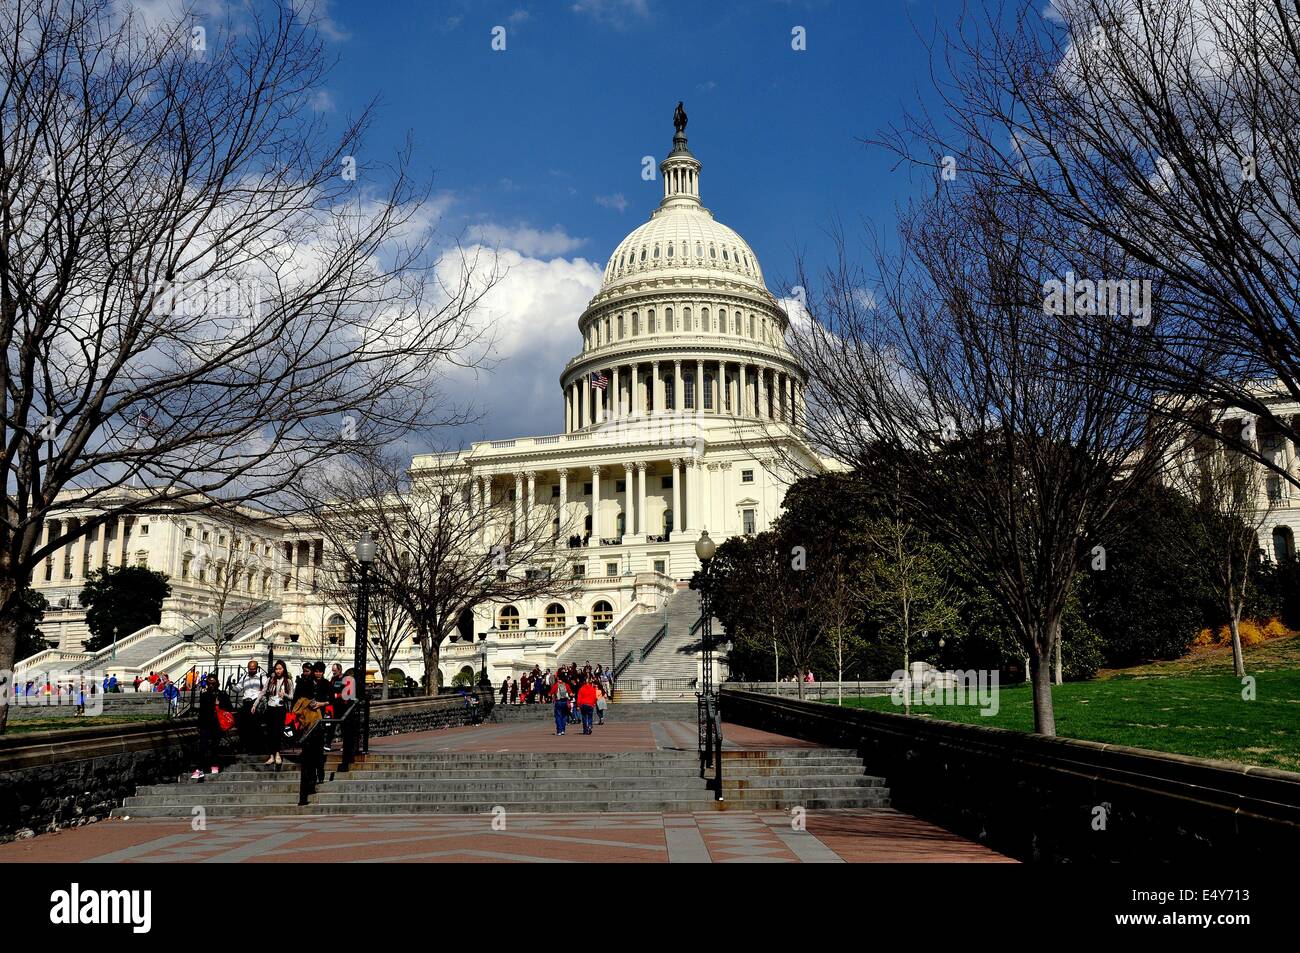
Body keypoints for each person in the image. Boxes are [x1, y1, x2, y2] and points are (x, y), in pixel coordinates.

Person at [192, 675, 232, 780]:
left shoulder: (222, 694)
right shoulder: (204, 694)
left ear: (217, 683)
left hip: (217, 724)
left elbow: (229, 708)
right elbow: (202, 710)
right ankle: (200, 768)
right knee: (202, 746)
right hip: (206, 723)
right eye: (209, 683)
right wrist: (199, 725)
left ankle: (214, 765)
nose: (211, 685)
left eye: (213, 683)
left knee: (215, 745)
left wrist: (219, 705)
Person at [257, 659, 295, 768]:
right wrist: (255, 705)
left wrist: (285, 695)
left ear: (284, 669)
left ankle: (277, 753)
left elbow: (292, 696)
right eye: (276, 669)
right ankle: (271, 755)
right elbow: (263, 692)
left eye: (280, 669)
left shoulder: (288, 681)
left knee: (278, 732)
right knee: (270, 732)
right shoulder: (270, 680)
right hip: (270, 708)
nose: (278, 671)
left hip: (280, 708)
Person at [233, 659, 267, 754]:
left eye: (253, 669)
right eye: (250, 669)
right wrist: (231, 686)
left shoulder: (261, 676)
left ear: (257, 668)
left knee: (255, 726)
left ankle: (256, 748)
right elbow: (238, 689)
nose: (251, 670)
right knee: (243, 725)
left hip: (256, 702)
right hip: (246, 702)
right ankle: (246, 747)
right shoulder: (244, 677)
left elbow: (265, 688)